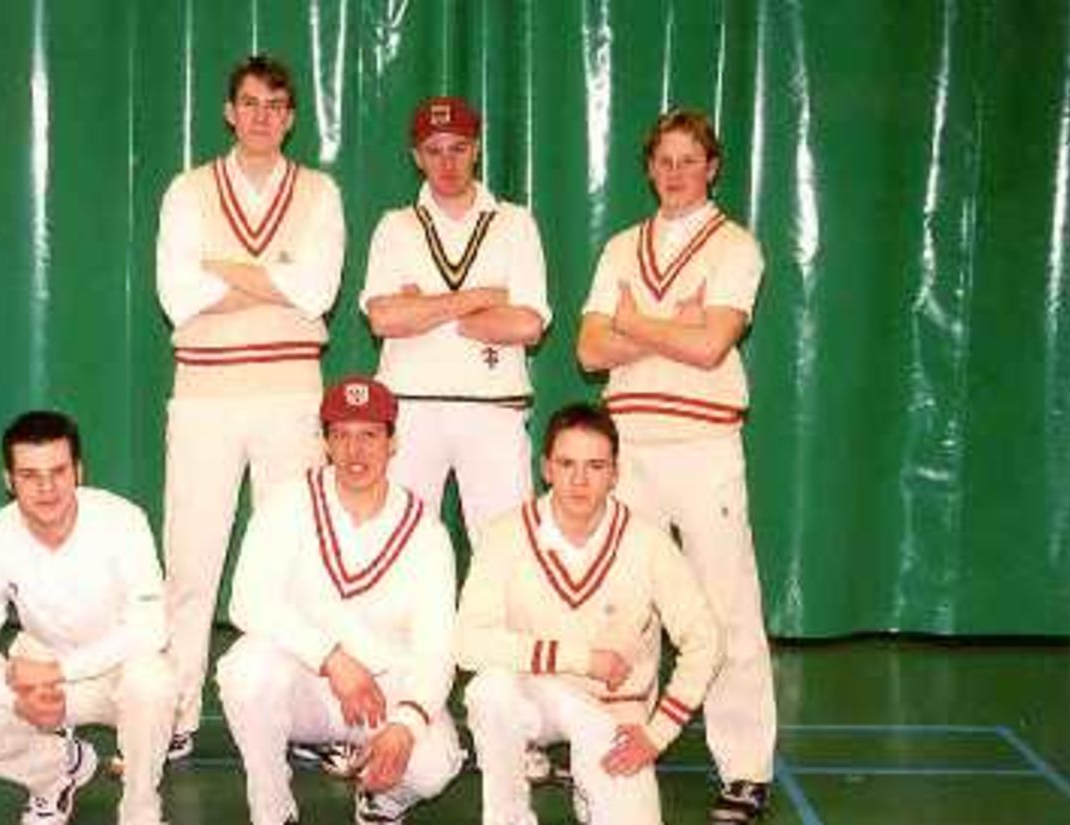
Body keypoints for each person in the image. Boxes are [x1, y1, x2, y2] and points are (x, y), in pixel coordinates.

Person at [576, 108, 777, 824]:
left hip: (703, 444)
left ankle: (746, 764)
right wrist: (673, 325)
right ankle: (621, 744)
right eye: (664, 160)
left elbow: (711, 347)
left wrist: (633, 321)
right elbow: (589, 351)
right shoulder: (624, 245)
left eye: (689, 160)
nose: (676, 173)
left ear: (713, 166)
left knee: (726, 603)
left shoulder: (736, 246)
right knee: (628, 604)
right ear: (649, 166)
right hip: (632, 441)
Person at [155, 53, 346, 756]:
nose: (262, 116)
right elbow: (177, 294)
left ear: (290, 118)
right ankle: (175, 712)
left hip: (292, 392)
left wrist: (222, 269)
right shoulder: (187, 190)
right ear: (229, 112)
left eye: (275, 105)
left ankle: (295, 715)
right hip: (205, 395)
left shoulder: (319, 192)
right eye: (250, 103)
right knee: (191, 558)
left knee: (294, 560)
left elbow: (320, 290)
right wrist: (277, 278)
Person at [455, 403, 722, 825]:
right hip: (537, 695)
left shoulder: (646, 542)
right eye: (567, 464)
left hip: (614, 709)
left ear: (615, 473)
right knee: (490, 690)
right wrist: (582, 659)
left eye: (595, 466)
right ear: (546, 468)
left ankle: (592, 786)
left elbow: (705, 640)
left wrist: (656, 735)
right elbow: (468, 642)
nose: (580, 480)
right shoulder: (505, 534)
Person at [216, 376, 463, 825]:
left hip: (383, 691)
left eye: (369, 435)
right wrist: (331, 658)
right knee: (246, 670)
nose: (355, 451)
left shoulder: (425, 530)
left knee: (435, 765)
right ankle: (272, 808)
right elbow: (247, 602)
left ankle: (380, 801)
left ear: (393, 442)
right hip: (307, 682)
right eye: (341, 436)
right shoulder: (289, 502)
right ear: (325, 443)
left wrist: (406, 725)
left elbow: (437, 647)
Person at [0, 410, 176, 825]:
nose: (47, 488)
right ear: (9, 480)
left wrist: (56, 670)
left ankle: (140, 809)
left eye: (58, 471)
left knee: (155, 682)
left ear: (78, 471)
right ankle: (57, 771)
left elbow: (151, 626)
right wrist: (18, 702)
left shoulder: (123, 520)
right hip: (40, 683)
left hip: (116, 671)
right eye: (29, 475)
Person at [360, 95, 550, 543]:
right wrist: (481, 299)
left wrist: (424, 310)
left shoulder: (514, 223)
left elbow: (527, 325)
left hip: (494, 407)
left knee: (507, 550)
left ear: (477, 149)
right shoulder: (395, 225)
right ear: (416, 157)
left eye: (458, 148)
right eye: (434, 150)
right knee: (398, 545)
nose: (447, 162)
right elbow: (383, 319)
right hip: (409, 408)